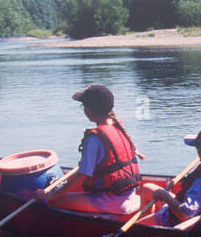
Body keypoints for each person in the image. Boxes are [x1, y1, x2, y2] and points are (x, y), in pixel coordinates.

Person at [38, 84, 141, 214]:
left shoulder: (94, 139)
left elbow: (83, 175)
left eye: (83, 106)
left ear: (89, 110)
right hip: (130, 196)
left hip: (110, 201)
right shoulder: (119, 129)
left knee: (52, 201)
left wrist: (53, 195)